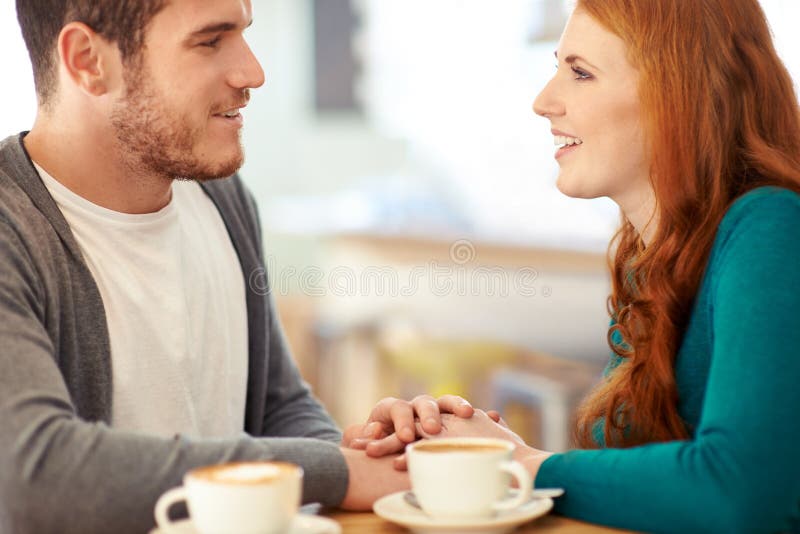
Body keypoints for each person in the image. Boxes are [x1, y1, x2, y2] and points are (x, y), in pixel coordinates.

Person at [0, 1, 473, 532]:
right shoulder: (11, 230)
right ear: (88, 60)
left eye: (244, 34)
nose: (253, 72)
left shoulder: (222, 198)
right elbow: (33, 478)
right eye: (210, 41)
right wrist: (336, 470)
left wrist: (379, 453)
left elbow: (279, 408)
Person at [355, 1, 800, 532]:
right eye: (557, 68)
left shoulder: (771, 226)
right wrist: (482, 451)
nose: (545, 101)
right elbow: (652, 483)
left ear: (679, 93)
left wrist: (522, 467)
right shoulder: (649, 267)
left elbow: (739, 491)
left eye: (581, 73)